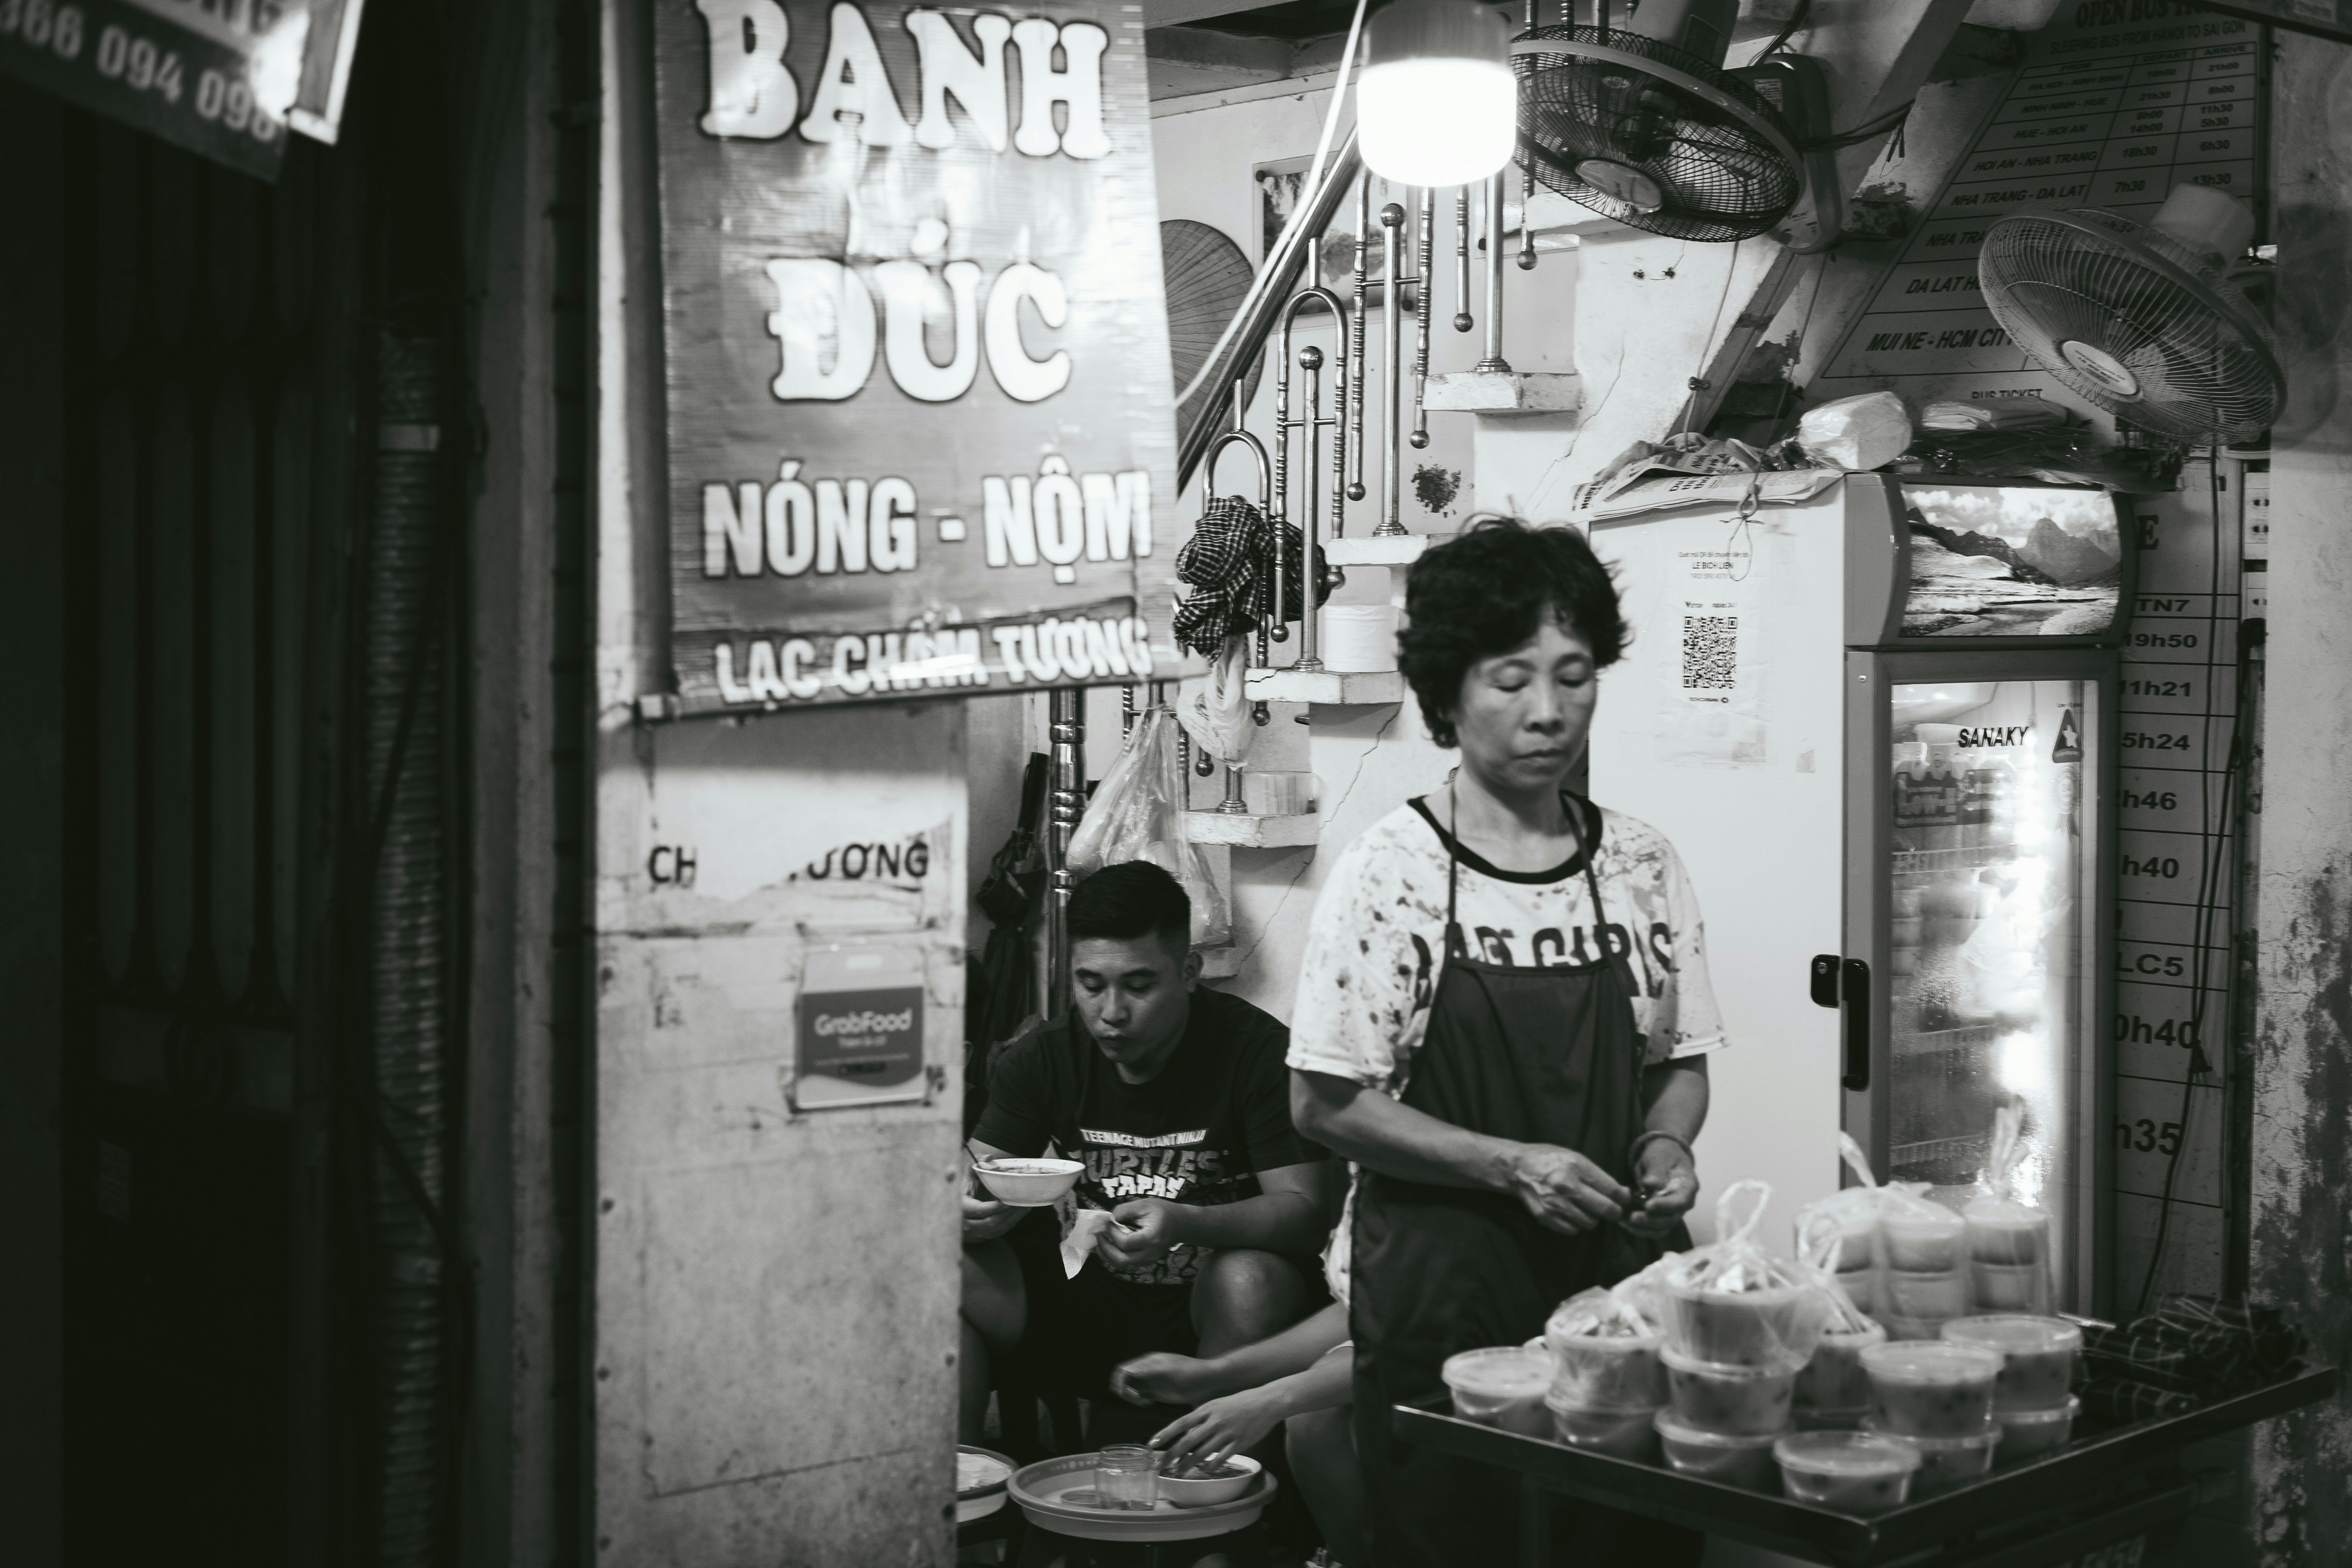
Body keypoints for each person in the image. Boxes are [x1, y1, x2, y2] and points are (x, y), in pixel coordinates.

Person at [1287, 518, 1726, 1568]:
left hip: (1616, 1284)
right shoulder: (1391, 871)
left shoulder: (1640, 863)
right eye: (1511, 678)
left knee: (1626, 1545)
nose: (1549, 710)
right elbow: (1324, 1102)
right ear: (1448, 694)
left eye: (1574, 676)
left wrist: (1666, 1145)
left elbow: (1677, 1060)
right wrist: (1509, 1163)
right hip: (1446, 1291)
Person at [960, 861, 1340, 1445]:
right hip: (1086, 1293)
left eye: (1138, 986)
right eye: (1090, 985)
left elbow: (1307, 1213)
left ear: (1188, 972)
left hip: (1217, 1313)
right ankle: (950, 1487)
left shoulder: (1257, 1056)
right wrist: (970, 1208)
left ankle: (1206, 1485)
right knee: (944, 1265)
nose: (1111, 1012)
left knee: (1249, 1278)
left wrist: (1186, 1222)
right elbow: (976, 1172)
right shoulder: (1044, 1057)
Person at [1113, 1292, 1362, 1566]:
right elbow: (1362, 1310)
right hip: (1388, 1334)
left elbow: (1399, 1340)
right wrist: (1212, 1374)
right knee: (1315, 1410)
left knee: (1315, 1410)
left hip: (1401, 1350)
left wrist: (1268, 1401)